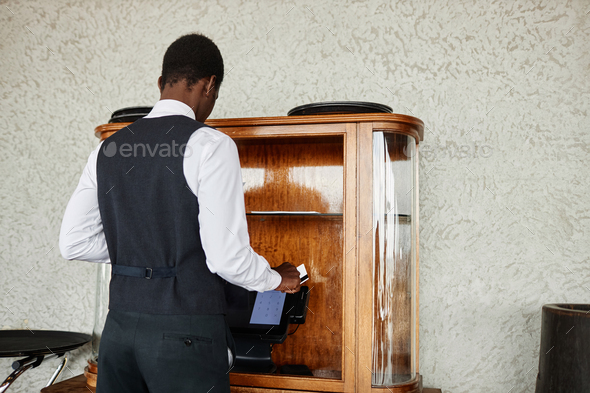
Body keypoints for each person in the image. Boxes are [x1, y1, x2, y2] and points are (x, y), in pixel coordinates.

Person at [59, 33, 301, 393]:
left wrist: (140, 246)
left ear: (161, 83)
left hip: (119, 332)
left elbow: (73, 243)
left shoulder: (108, 149)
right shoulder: (211, 145)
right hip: (186, 334)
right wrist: (275, 279)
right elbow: (226, 258)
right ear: (210, 85)